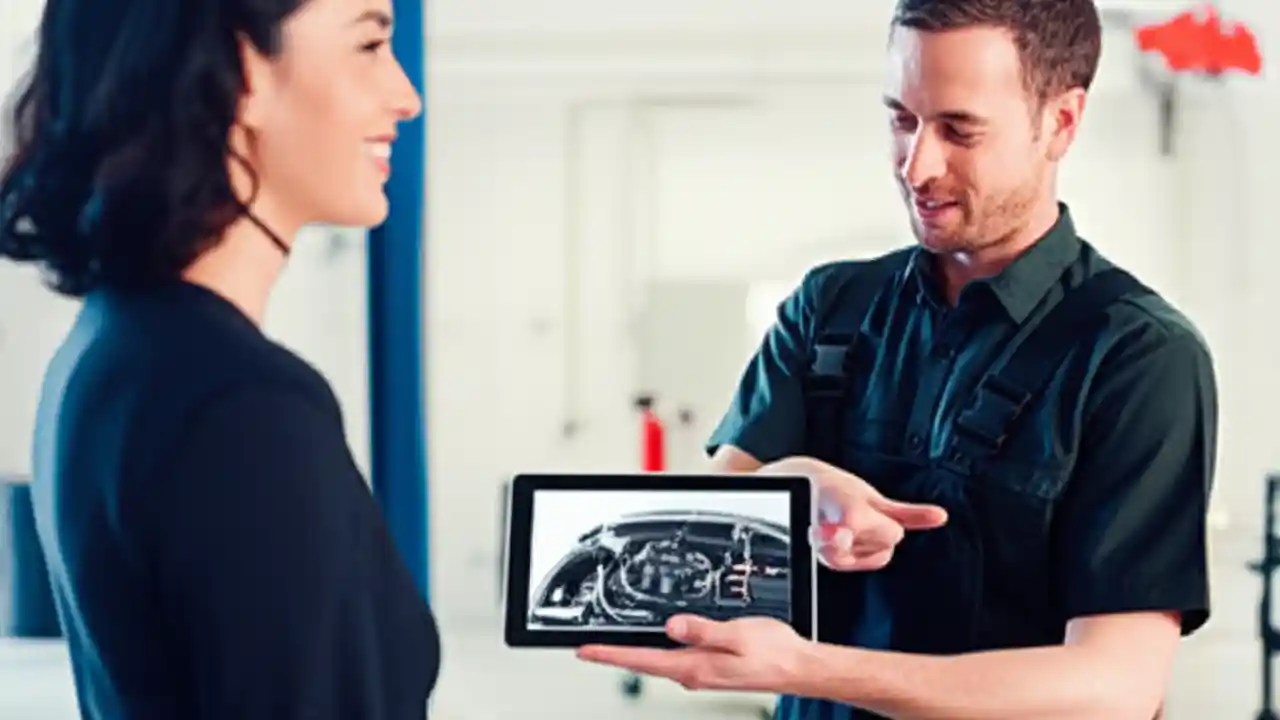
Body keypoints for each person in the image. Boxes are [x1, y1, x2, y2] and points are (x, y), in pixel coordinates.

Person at [576, 1, 1217, 718]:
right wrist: (796, 479)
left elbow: (1114, 687)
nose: (918, 165)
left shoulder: (1136, 357)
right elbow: (709, 525)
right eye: (901, 119)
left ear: (1061, 122)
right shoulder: (829, 308)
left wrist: (811, 669)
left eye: (959, 130)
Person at [0, 1, 438, 718]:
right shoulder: (244, 407)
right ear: (242, 70)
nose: (406, 96)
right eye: (368, 44)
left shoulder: (110, 353)